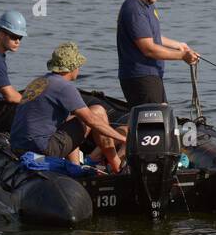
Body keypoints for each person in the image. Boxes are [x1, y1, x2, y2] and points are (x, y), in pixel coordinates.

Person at [9, 42, 129, 173]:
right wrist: (122, 138)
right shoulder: (64, 86)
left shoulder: (39, 81)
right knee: (98, 112)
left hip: (18, 147)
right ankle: (117, 167)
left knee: (74, 120)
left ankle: (76, 168)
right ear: (73, 67)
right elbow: (91, 120)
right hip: (41, 150)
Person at [116, 0, 198, 109]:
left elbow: (150, 35)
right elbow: (149, 49)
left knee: (161, 116)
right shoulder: (134, 9)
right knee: (154, 122)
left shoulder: (147, 4)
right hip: (140, 76)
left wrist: (178, 45)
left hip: (152, 75)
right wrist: (182, 56)